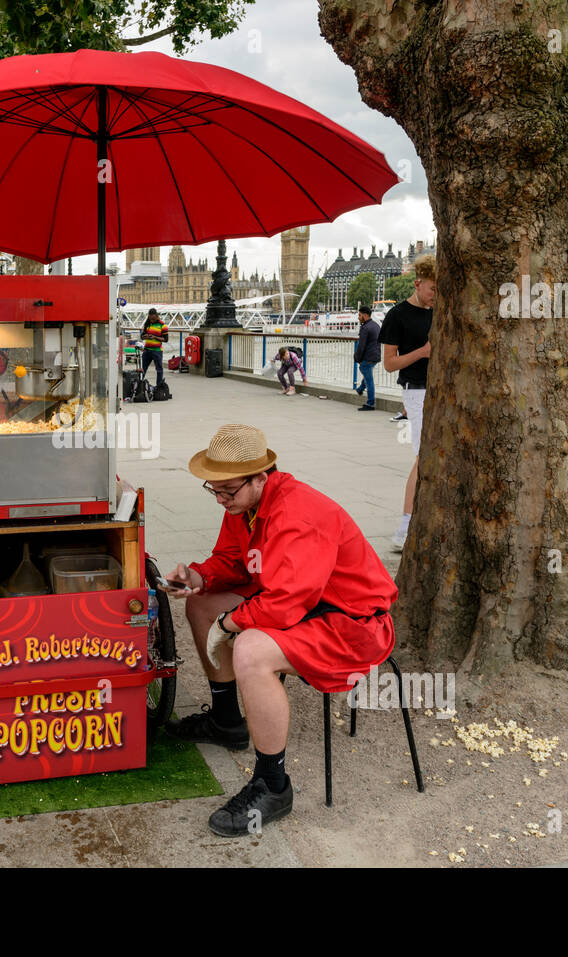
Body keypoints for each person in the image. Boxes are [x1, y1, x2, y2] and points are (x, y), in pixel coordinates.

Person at [162, 424, 398, 837]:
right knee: (201, 605)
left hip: (351, 625)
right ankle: (226, 720)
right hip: (308, 613)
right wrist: (198, 578)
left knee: (251, 649)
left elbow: (287, 602)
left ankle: (273, 784)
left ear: (261, 477)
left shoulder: (298, 513)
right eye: (212, 490)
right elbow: (232, 562)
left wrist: (231, 622)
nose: (220, 500)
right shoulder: (244, 505)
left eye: (227, 492)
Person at [378, 254, 435, 551]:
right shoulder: (397, 315)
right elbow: (389, 364)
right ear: (418, 283)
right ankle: (405, 525)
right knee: (422, 456)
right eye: (432, 290)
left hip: (441, 389)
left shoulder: (440, 311)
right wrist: (423, 352)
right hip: (416, 391)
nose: (435, 296)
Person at [353, 304, 381, 411]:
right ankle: (360, 388)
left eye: (359, 315)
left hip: (368, 357)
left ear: (365, 315)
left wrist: (357, 358)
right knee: (367, 373)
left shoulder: (365, 328)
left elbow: (361, 346)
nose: (358, 317)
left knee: (369, 379)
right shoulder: (376, 325)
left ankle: (370, 404)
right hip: (376, 356)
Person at [141, 308, 168, 389]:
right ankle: (140, 386)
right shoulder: (147, 324)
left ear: (156, 316)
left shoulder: (163, 325)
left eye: (153, 318)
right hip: (147, 350)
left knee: (159, 370)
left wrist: (155, 337)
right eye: (150, 318)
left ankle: (158, 388)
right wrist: (144, 336)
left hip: (157, 351)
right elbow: (142, 336)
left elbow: (165, 339)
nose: (151, 320)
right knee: (143, 369)